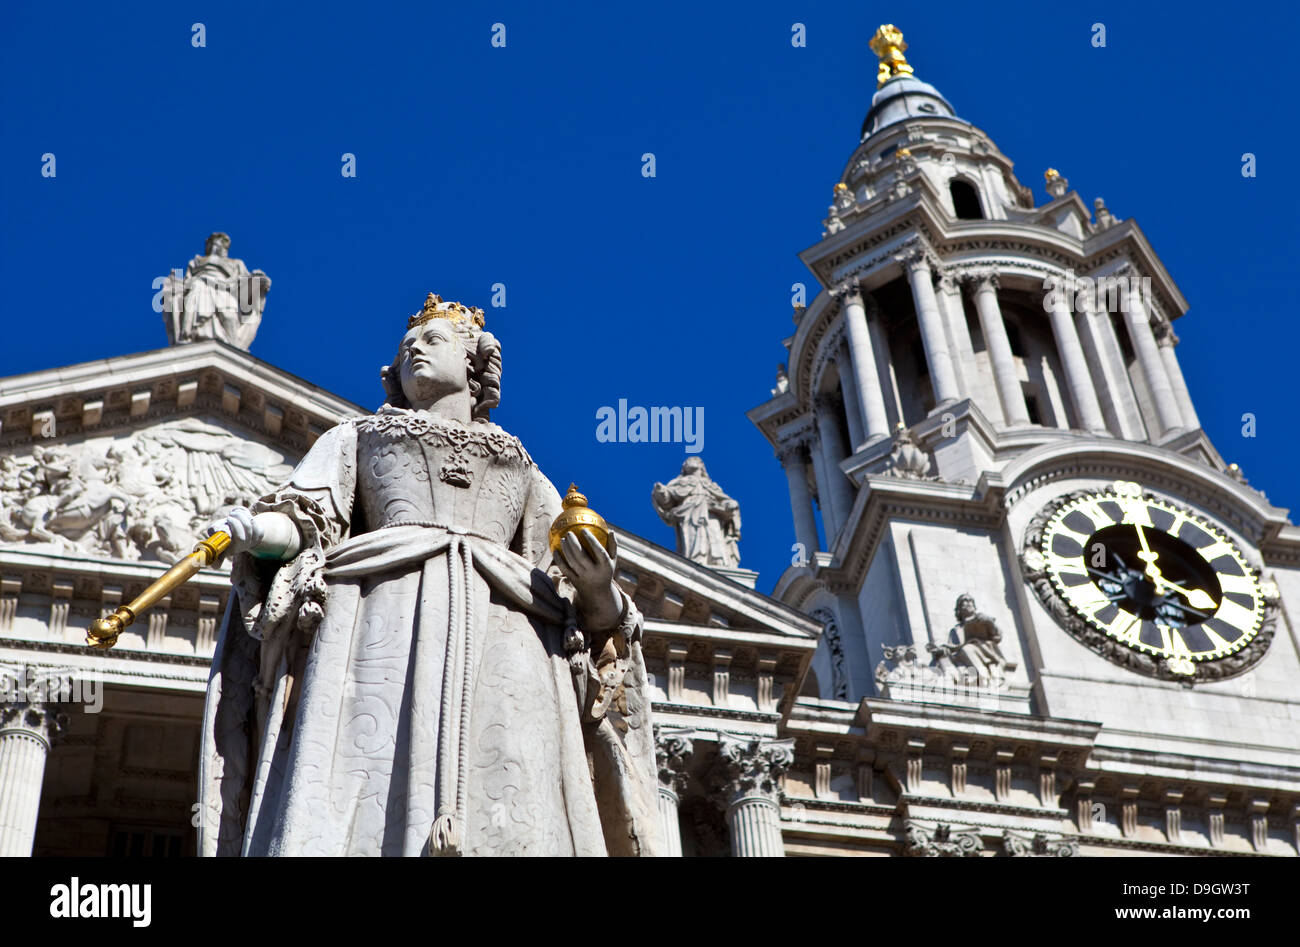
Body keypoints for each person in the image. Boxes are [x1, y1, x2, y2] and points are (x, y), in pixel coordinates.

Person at [197, 294, 661, 856]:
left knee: (515, 782)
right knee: (364, 772)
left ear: (473, 363)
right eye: (406, 345)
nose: (415, 347)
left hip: (510, 631)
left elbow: (574, 593)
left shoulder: (522, 464)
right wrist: (253, 533)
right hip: (377, 614)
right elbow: (307, 524)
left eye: (432, 341)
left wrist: (598, 589)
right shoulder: (356, 437)